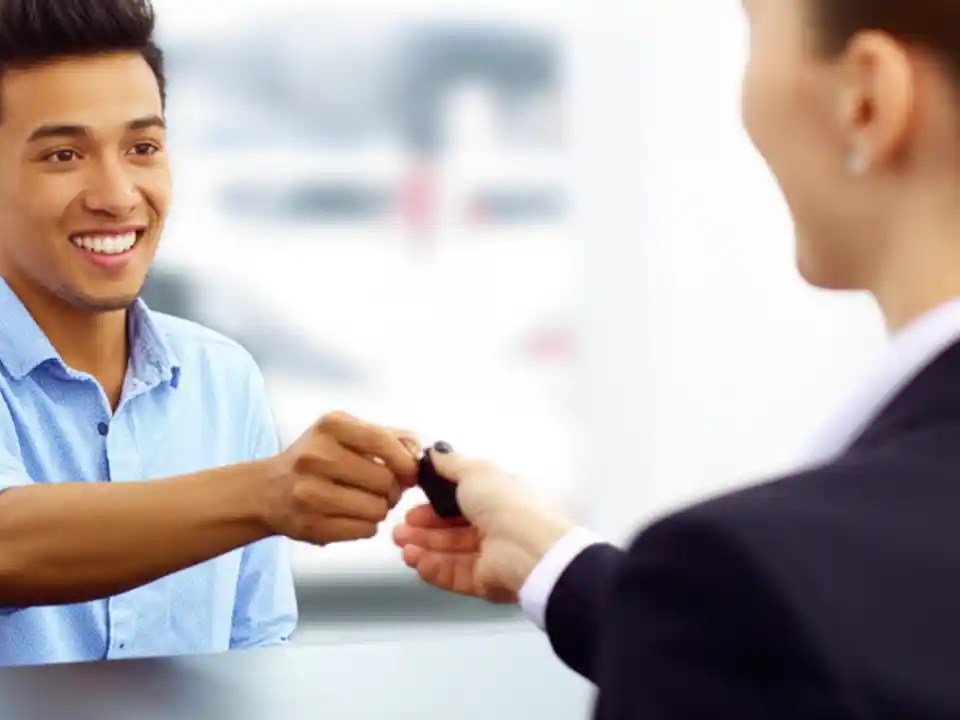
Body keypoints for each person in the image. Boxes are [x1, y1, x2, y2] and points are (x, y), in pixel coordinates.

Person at [394, 0, 960, 717]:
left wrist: (692, 605)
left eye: (754, 34)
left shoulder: (755, 582)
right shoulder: (758, 598)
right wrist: (564, 565)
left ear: (868, 101)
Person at [0, 0, 419, 674]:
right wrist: (267, 494)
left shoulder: (223, 377)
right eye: (63, 154)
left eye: (142, 147)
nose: (116, 194)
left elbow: (258, 651)